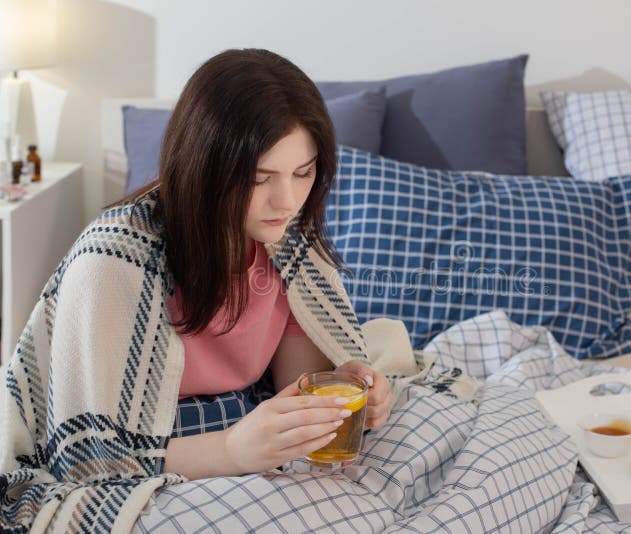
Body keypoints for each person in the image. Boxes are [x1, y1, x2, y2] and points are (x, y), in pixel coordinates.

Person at [0, 48, 391, 532]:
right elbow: (88, 464)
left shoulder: (288, 246)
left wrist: (341, 394)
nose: (287, 201)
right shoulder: (114, 261)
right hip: (154, 458)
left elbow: (296, 390)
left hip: (243, 437)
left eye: (303, 173)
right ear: (204, 167)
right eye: (257, 178)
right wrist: (231, 449)